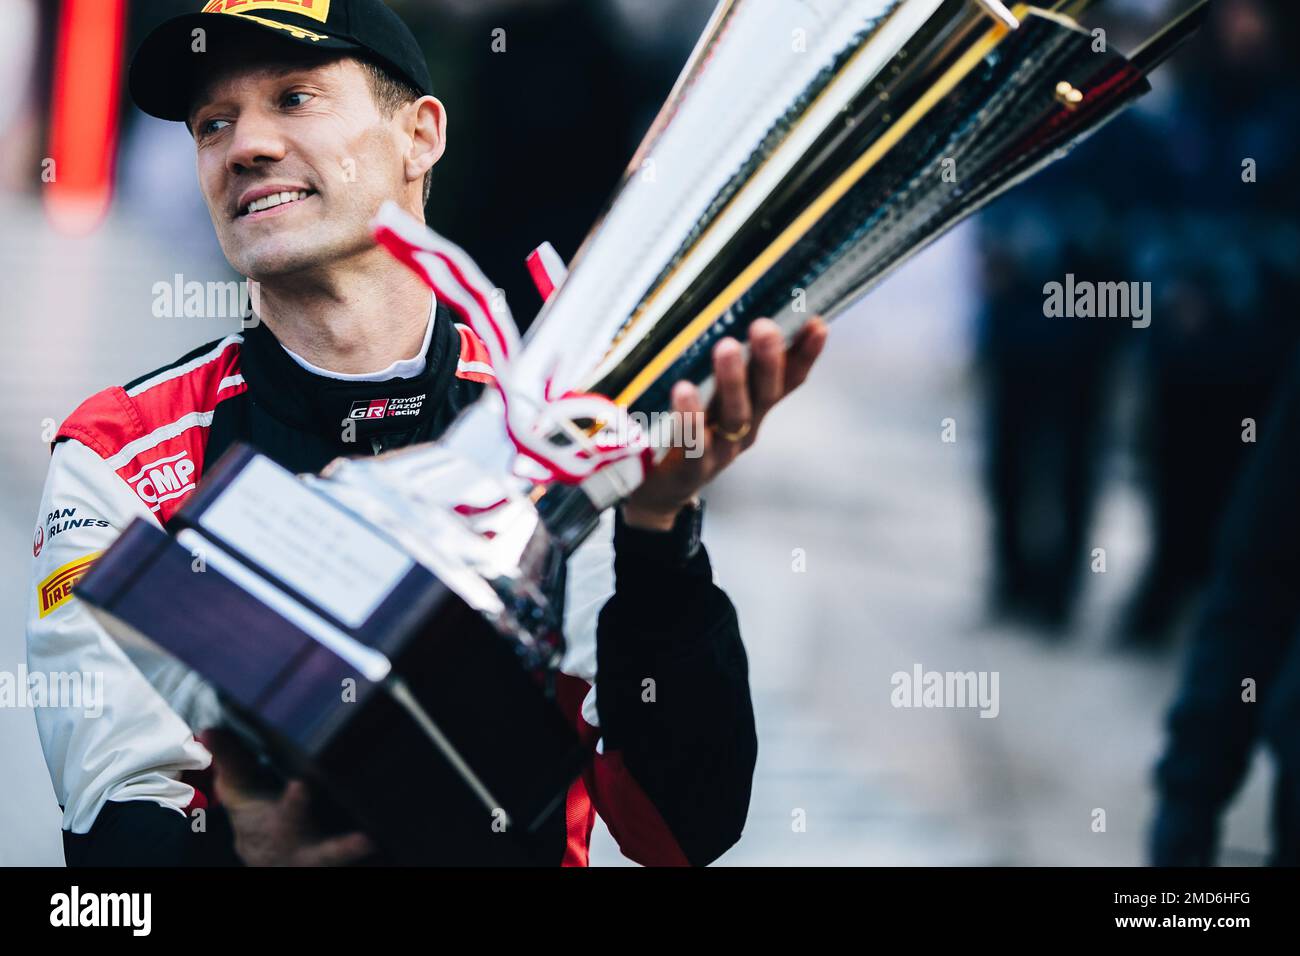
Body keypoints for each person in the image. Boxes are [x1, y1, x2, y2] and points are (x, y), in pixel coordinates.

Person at [27, 0, 827, 867]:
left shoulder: (556, 425)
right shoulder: (121, 453)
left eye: (294, 99)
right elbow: (113, 850)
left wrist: (660, 535)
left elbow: (682, 829)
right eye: (213, 123)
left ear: (420, 136)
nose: (244, 146)